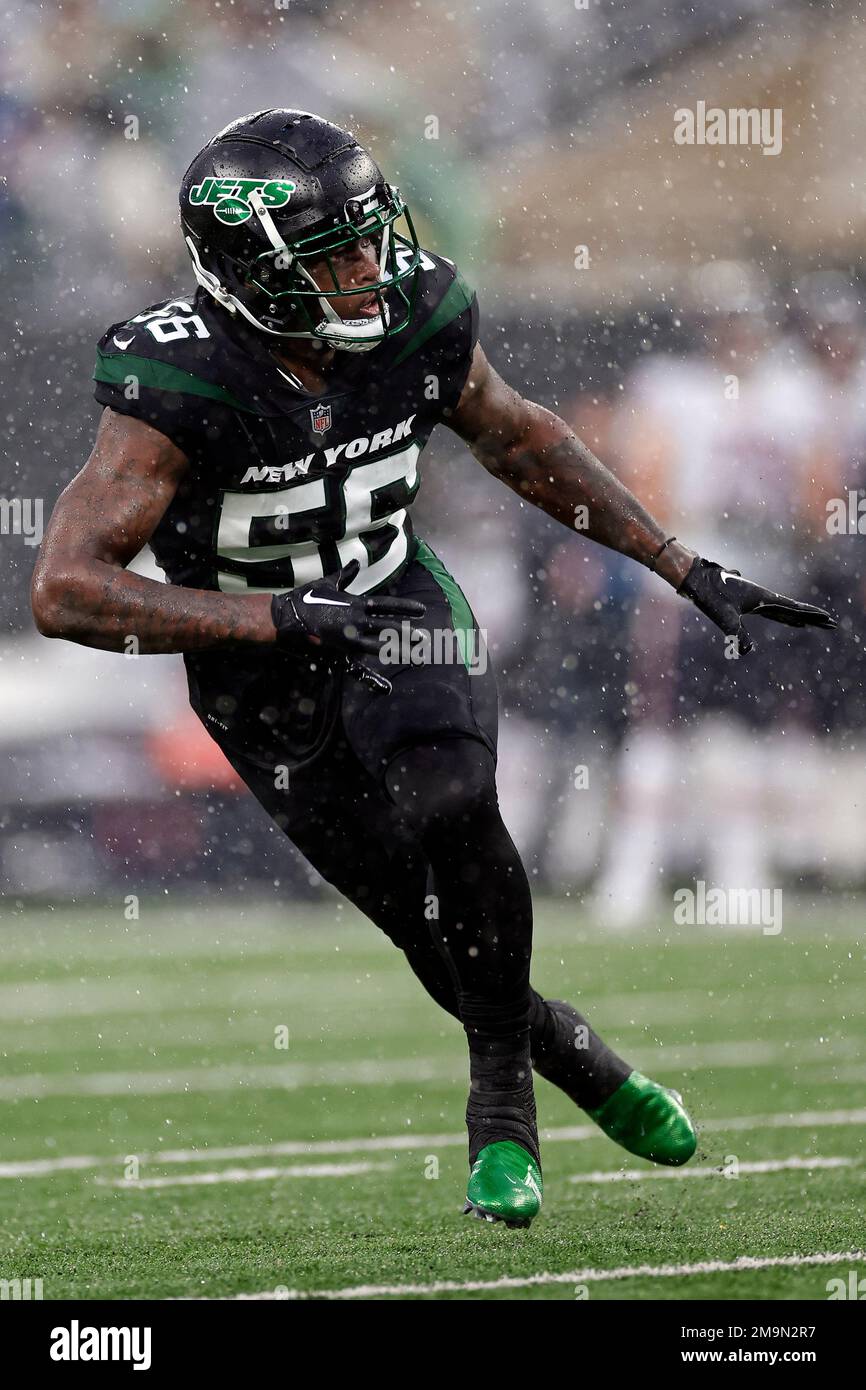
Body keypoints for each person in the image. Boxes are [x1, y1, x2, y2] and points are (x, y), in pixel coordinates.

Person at [31, 110, 835, 1227]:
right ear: (247, 270)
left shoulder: (416, 308)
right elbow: (65, 590)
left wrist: (674, 559)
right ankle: (578, 1060)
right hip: (257, 670)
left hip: (395, 604)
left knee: (457, 802)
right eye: (332, 255)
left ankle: (499, 1108)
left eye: (367, 237)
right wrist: (268, 618)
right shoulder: (178, 378)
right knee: (420, 919)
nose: (369, 269)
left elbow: (515, 434)